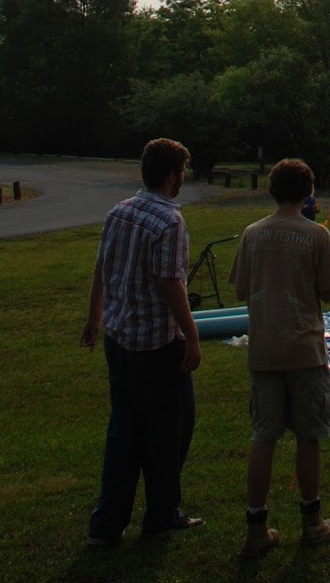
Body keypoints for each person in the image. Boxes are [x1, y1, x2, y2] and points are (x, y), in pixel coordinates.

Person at [80, 136, 203, 545]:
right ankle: (161, 514)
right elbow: (170, 284)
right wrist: (191, 335)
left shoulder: (120, 211)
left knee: (123, 431)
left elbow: (102, 265)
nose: (183, 178)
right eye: (182, 172)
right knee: (171, 430)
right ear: (171, 176)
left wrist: (94, 317)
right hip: (155, 347)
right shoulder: (169, 221)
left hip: (118, 341)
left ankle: (106, 525)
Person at [229, 157, 330, 557]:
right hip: (305, 349)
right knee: (308, 435)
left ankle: (255, 526)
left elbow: (242, 289)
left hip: (264, 350)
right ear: (309, 192)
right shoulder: (317, 236)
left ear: (272, 190)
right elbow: (328, 291)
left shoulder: (251, 233)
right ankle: (312, 522)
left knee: (264, 437)